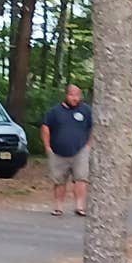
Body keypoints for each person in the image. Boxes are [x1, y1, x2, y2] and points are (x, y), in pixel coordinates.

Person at [41, 81, 93, 217]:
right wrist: (47, 147)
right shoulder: (54, 112)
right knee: (59, 181)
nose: (75, 98)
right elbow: (45, 128)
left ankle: (80, 206)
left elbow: (93, 127)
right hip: (58, 152)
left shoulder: (86, 110)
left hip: (80, 150)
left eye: (77, 95)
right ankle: (58, 207)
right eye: (72, 95)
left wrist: (89, 144)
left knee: (81, 178)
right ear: (66, 95)